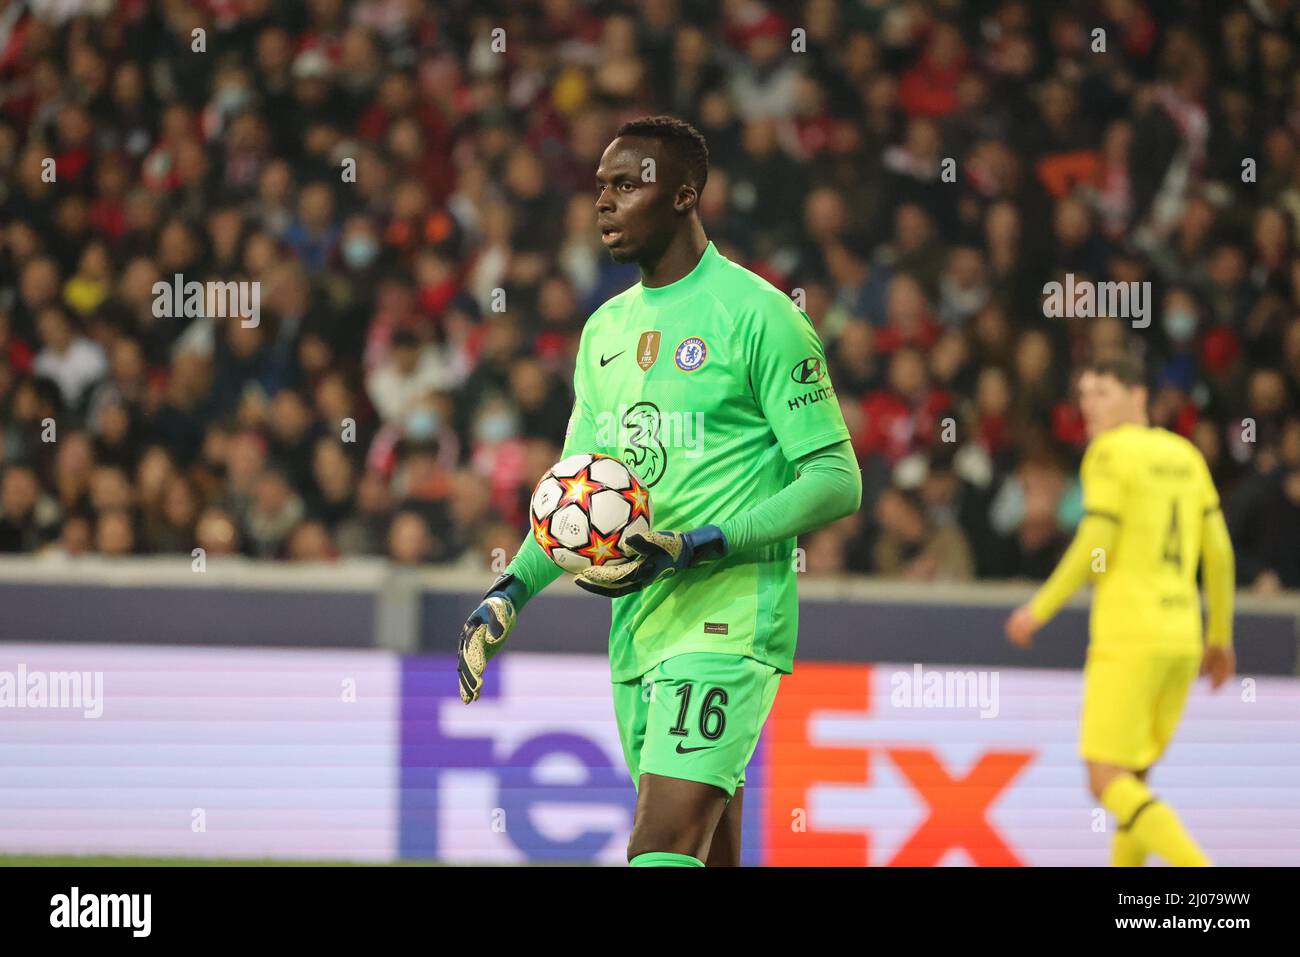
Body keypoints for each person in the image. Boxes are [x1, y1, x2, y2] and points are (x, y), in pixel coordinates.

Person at [453, 116, 861, 867]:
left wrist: (702, 542)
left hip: (728, 626)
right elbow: (571, 503)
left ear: (683, 196)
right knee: (705, 855)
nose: (602, 203)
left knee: (658, 847)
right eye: (599, 187)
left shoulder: (761, 315)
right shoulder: (604, 329)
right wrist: (510, 589)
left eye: (625, 185)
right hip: (638, 629)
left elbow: (836, 481)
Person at [1004, 356, 1235, 867]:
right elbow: (1217, 552)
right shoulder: (1186, 455)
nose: (1089, 404)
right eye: (1084, 393)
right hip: (1183, 635)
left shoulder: (1108, 452)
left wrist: (1039, 609)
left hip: (1129, 635)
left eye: (1103, 391)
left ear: (1139, 396)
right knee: (1134, 782)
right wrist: (1219, 635)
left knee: (1103, 778)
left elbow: (1096, 540)